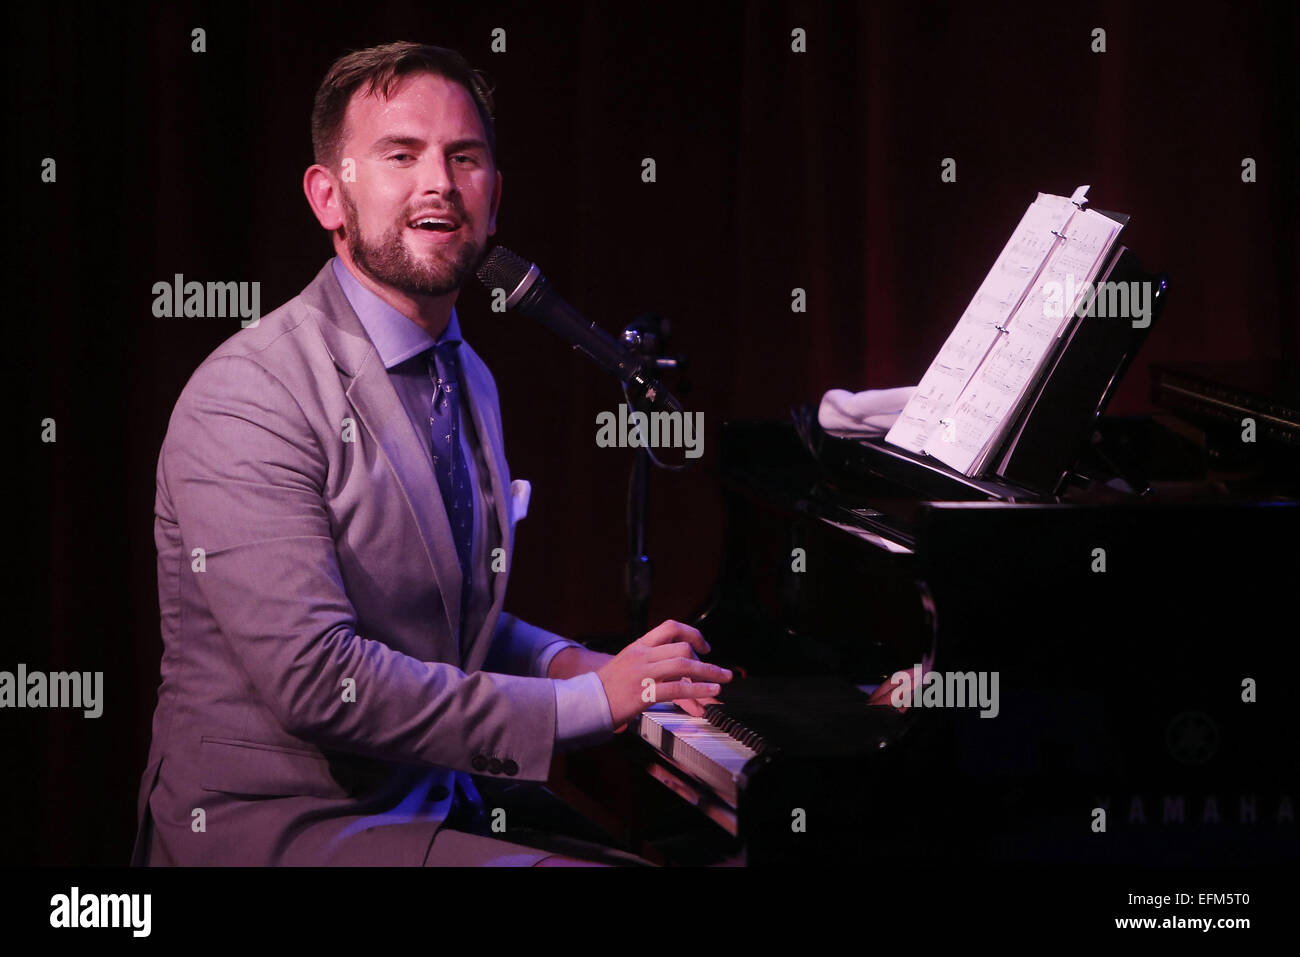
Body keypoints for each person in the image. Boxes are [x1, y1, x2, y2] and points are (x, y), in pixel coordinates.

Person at [130, 41, 731, 867]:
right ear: (328, 197)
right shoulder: (250, 393)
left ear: (494, 198)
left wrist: (569, 659)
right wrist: (585, 702)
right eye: (400, 154)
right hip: (277, 829)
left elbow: (434, 613)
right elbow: (316, 677)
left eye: (464, 157)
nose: (439, 183)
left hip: (432, 796)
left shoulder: (469, 374)